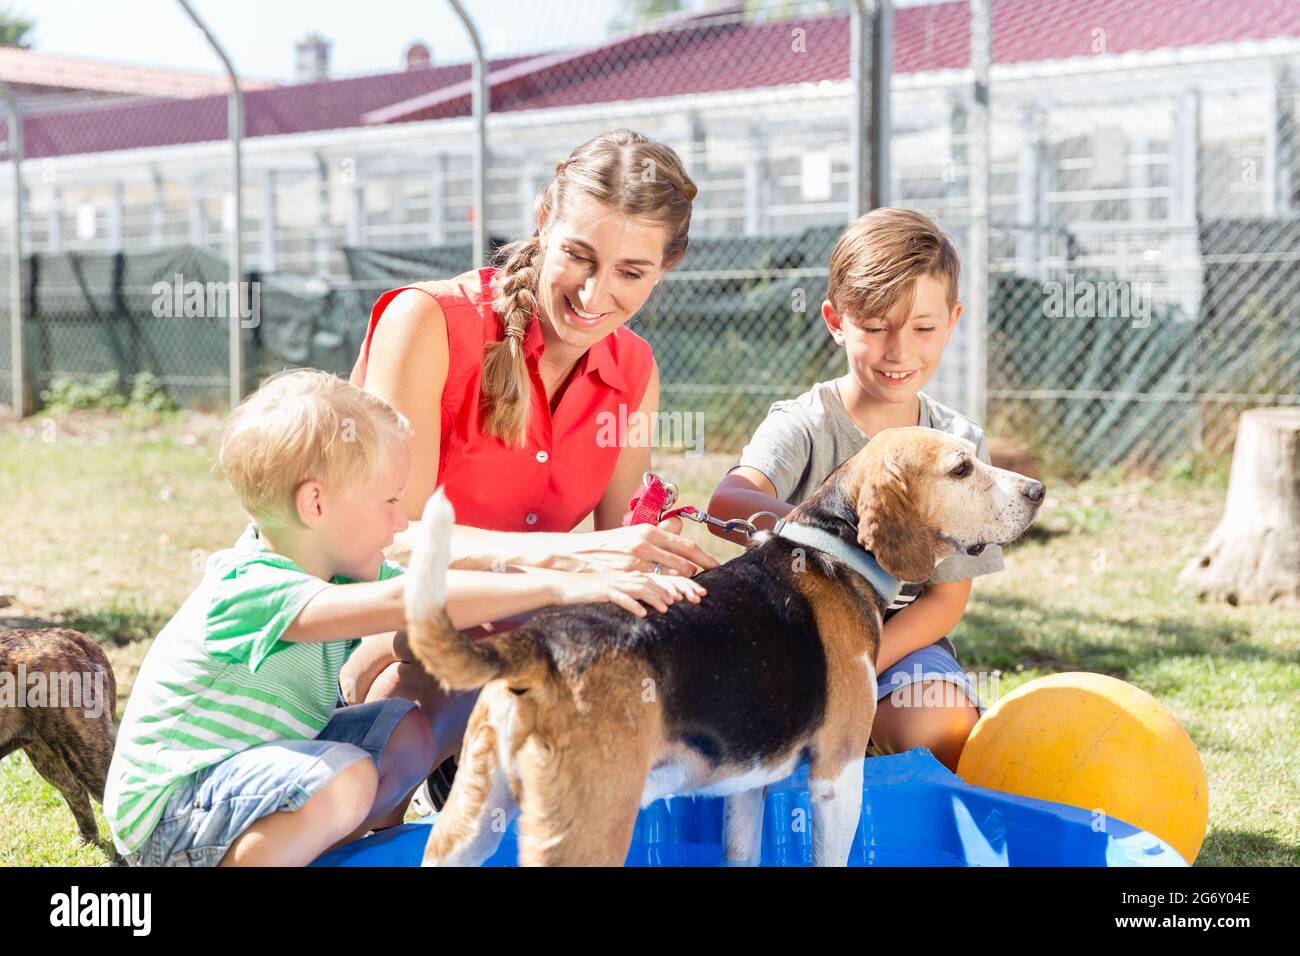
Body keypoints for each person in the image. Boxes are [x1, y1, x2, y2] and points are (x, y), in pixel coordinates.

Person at [104, 369, 701, 866]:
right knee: (348, 779)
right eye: (390, 502)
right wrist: (566, 584)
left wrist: (584, 589)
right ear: (315, 504)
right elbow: (409, 600)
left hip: (250, 779)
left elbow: (449, 594)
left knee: (405, 732)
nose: (399, 524)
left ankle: (352, 855)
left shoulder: (337, 569)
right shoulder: (248, 587)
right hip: (171, 811)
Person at [342, 129, 719, 806]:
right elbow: (395, 540)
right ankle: (380, 815)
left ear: (667, 267)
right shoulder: (428, 321)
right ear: (544, 219)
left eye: (632, 272)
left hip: (511, 624)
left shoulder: (634, 368)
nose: (596, 293)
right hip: (354, 621)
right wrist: (573, 561)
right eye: (578, 255)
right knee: (417, 667)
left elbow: (624, 551)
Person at [707, 208, 1001, 773]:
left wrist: (856, 671)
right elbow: (728, 503)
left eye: (923, 327)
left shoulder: (959, 446)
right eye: (874, 326)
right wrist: (828, 532)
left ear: (953, 321)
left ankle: (860, 735)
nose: (899, 350)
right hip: (792, 638)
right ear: (836, 321)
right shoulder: (804, 422)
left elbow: (945, 601)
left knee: (941, 731)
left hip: (898, 650)